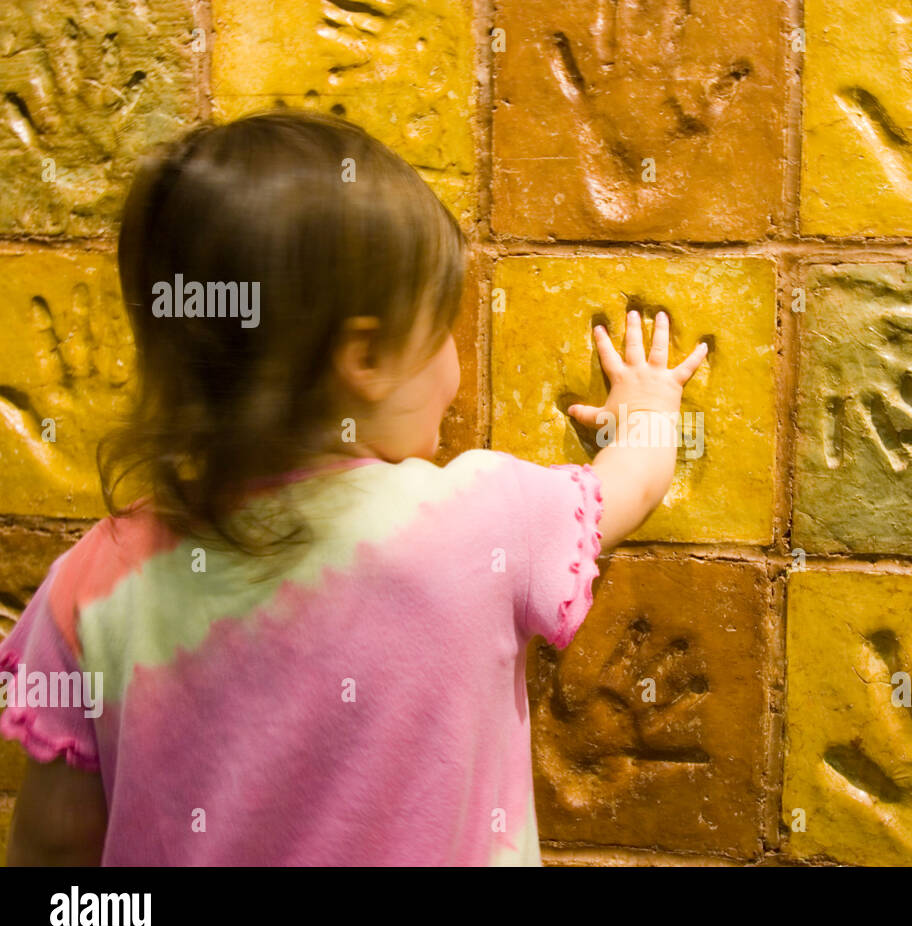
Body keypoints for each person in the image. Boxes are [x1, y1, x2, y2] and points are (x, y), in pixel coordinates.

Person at [0, 110, 706, 865]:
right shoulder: (478, 523)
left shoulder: (90, 588)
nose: (453, 371)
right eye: (440, 330)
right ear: (364, 357)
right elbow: (628, 481)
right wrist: (650, 408)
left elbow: (52, 848)